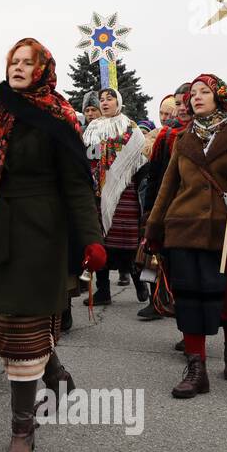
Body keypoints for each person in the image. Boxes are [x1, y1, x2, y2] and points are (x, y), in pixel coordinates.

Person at [0, 39, 105, 452]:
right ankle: (56, 372)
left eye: (27, 62)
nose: (18, 67)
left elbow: (77, 183)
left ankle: (21, 429)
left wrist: (91, 238)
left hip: (39, 234)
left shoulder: (59, 117)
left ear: (43, 68)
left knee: (22, 325)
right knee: (5, 320)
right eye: (14, 61)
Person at [144, 75, 227, 398]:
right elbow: (169, 185)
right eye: (193, 93)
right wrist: (153, 228)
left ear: (219, 97)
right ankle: (197, 369)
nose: (195, 97)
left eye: (204, 92)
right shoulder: (183, 138)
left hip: (226, 229)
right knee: (190, 298)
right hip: (185, 227)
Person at [83, 87, 148, 305]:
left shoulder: (129, 126)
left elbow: (139, 156)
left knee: (127, 244)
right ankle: (103, 292)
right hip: (98, 191)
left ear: (118, 102)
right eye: (102, 99)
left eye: (109, 98)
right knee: (101, 241)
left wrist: (117, 171)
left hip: (124, 192)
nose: (105, 102)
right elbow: (87, 154)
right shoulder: (93, 127)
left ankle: (139, 283)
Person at [136, 83, 192, 322]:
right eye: (174, 105)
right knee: (152, 255)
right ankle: (154, 299)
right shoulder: (166, 135)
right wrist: (149, 210)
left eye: (181, 104)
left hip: (188, 210)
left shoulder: (204, 132)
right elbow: (155, 174)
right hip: (164, 205)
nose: (178, 110)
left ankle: (183, 312)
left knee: (181, 265)